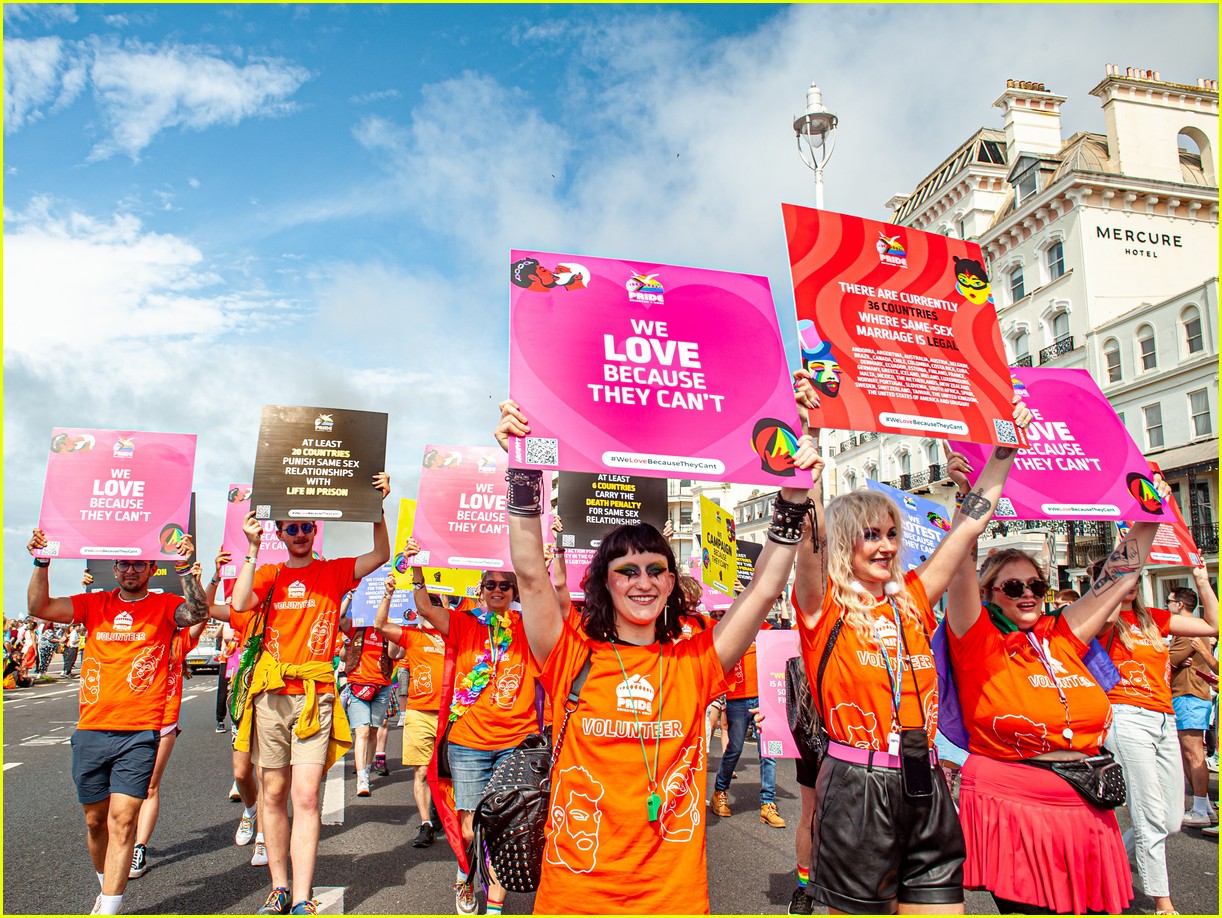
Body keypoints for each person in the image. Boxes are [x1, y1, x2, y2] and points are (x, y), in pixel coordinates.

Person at [496, 397, 820, 914]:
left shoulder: (696, 661)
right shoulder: (570, 655)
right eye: (627, 570)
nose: (643, 581)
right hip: (575, 895)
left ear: (672, 581)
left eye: (655, 569)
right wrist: (521, 469)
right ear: (605, 581)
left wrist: (793, 493)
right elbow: (531, 571)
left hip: (673, 897)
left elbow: (761, 592)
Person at [791, 393, 1032, 916]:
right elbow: (811, 534)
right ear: (844, 545)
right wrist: (805, 433)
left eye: (892, 534)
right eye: (869, 535)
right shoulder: (823, 608)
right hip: (858, 789)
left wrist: (1004, 449)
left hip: (927, 781)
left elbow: (969, 523)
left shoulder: (914, 598)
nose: (885, 546)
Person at [942, 456, 1167, 916]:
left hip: (1087, 801)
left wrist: (1148, 510)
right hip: (1015, 805)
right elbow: (960, 562)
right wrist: (968, 495)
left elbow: (1119, 576)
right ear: (989, 595)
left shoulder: (1061, 632)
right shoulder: (975, 636)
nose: (1028, 593)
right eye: (1014, 586)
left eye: (1037, 585)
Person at [229, 472, 391, 916]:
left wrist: (377, 507)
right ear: (278, 533)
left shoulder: (334, 571)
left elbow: (381, 553)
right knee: (274, 794)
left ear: (314, 530)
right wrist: (251, 548)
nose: (300, 534)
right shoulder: (269, 572)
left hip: (315, 696)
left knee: (305, 797)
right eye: (291, 527)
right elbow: (240, 604)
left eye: (306, 527)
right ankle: (278, 887)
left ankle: (302, 896)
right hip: (271, 696)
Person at [26, 528, 207, 915]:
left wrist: (188, 568)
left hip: (140, 731)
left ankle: (110, 906)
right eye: (124, 563)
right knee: (96, 822)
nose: (129, 570)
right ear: (115, 565)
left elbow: (198, 614)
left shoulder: (165, 605)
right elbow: (39, 608)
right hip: (91, 729)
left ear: (150, 567)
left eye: (138, 563)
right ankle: (104, 882)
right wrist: (42, 561)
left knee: (123, 820)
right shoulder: (94, 604)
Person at [398, 539, 536, 916]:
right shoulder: (463, 622)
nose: (496, 591)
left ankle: (493, 905)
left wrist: (552, 552)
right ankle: (465, 872)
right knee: (471, 827)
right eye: (489, 585)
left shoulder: (528, 626)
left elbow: (560, 608)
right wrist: (418, 567)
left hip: (515, 743)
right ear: (481, 590)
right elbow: (424, 607)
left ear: (514, 590)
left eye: (503, 585)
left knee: (502, 828)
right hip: (468, 743)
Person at [1092, 555, 1218, 915]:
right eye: (1121, 575)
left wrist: (1202, 580)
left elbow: (1214, 626)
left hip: (1164, 717)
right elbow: (1108, 613)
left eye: (1135, 575)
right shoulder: (1102, 618)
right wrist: (1116, 573)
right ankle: (1164, 904)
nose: (1131, 581)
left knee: (1171, 820)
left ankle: (1107, 860)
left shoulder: (1154, 620)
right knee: (1148, 816)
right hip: (1126, 717)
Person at [129, 563, 210, 879]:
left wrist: (200, 579)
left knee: (149, 785)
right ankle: (121, 836)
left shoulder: (180, 639)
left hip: (162, 717)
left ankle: (138, 848)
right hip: (126, 716)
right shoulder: (139, 633)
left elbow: (199, 614)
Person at [371, 574, 447, 848]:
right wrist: (388, 594)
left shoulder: (454, 635)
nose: (429, 612)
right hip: (419, 713)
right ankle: (425, 823)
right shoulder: (413, 635)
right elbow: (380, 625)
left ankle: (445, 815)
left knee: (451, 773)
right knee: (421, 771)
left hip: (451, 714)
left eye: (434, 606)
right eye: (425, 607)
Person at [711, 623, 785, 828]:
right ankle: (720, 791)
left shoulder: (769, 629)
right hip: (737, 698)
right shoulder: (734, 623)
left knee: (768, 751)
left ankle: (768, 803)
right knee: (734, 748)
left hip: (764, 697)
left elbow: (787, 641)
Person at [338, 593, 403, 798]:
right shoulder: (357, 628)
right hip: (358, 685)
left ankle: (366, 768)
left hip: (381, 686)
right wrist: (348, 598)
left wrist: (390, 630)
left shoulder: (387, 630)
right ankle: (361, 778)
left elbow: (394, 654)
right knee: (362, 732)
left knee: (374, 731)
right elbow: (339, 619)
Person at [1170, 573, 1221, 828]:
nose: (1168, 606)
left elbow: (1168, 659)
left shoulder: (1188, 629)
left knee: (1193, 753)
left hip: (1190, 693)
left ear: (1180, 604)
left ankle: (1201, 807)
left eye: (1170, 602)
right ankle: (1206, 808)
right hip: (1190, 693)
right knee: (1190, 752)